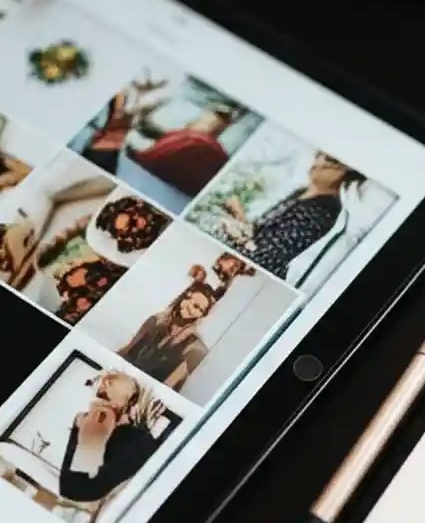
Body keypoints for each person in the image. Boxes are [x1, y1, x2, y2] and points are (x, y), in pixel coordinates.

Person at [117, 255, 254, 390]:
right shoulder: (206, 274)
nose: (232, 268)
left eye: (236, 267)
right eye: (232, 263)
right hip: (183, 305)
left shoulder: (225, 284)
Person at [221, 153, 366, 279]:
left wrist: (236, 234)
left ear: (345, 172)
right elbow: (260, 233)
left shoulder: (320, 213)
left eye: (330, 160)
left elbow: (266, 261)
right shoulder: (302, 192)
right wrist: (239, 217)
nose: (318, 162)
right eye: (318, 155)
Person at [59, 370, 163, 503]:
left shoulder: (136, 441)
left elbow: (77, 488)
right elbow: (74, 489)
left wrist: (90, 438)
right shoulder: (131, 438)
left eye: (104, 395)